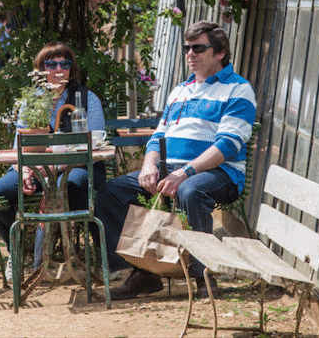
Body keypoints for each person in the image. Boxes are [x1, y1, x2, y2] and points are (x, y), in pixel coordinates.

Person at [99, 21, 256, 300]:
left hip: (220, 172)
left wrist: (185, 172)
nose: (190, 54)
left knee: (190, 191)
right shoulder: (179, 90)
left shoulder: (238, 89)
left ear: (220, 52)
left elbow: (227, 146)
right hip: (171, 169)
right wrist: (149, 165)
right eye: (187, 48)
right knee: (112, 192)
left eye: (198, 48)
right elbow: (158, 136)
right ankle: (143, 273)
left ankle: (203, 278)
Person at [0, 41, 107, 250]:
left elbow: (93, 146)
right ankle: (17, 253)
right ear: (41, 70)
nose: (59, 70)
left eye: (65, 64)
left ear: (71, 69)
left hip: (79, 167)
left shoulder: (87, 99)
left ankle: (96, 254)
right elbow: (19, 147)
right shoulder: (31, 102)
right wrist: (24, 171)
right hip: (35, 169)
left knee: (72, 186)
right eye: (51, 64)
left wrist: (55, 166)